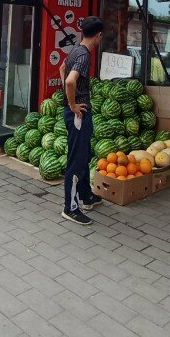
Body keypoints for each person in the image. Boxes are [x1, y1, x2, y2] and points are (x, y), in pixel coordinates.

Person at [58, 16, 104, 226]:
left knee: (83, 155)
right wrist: (73, 104)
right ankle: (70, 208)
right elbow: (70, 80)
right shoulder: (84, 55)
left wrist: (69, 97)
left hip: (78, 113)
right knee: (76, 161)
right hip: (79, 115)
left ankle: (86, 196)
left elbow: (62, 68)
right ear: (98, 35)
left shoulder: (76, 49)